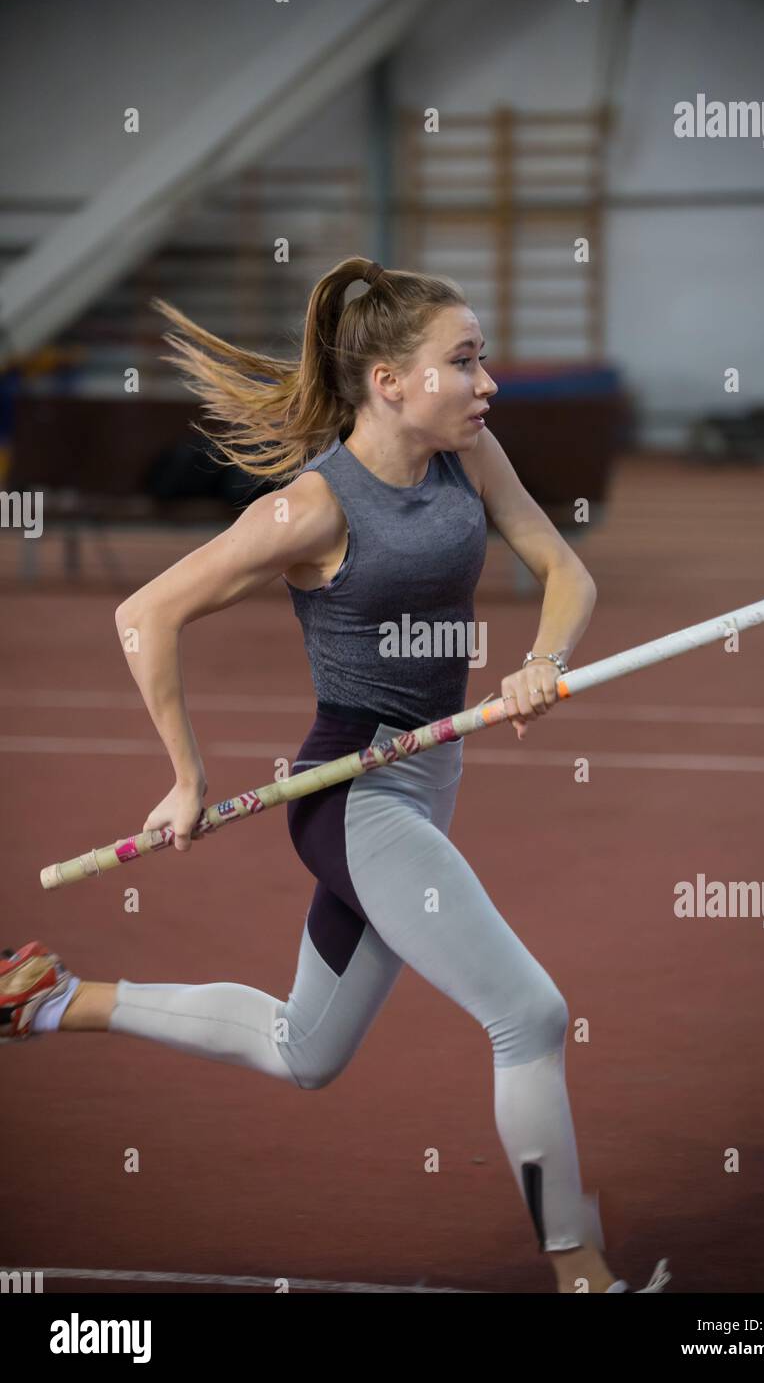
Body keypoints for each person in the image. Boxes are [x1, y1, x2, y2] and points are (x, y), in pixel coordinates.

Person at [1, 256, 669, 1295]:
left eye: (482, 358)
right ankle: (579, 1272)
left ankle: (51, 1001)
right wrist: (186, 777)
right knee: (528, 1017)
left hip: (426, 774)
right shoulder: (310, 509)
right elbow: (145, 614)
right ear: (390, 383)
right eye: (463, 361)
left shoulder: (469, 455)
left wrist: (542, 662)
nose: (487, 382)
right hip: (355, 795)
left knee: (302, 1048)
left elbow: (562, 570)